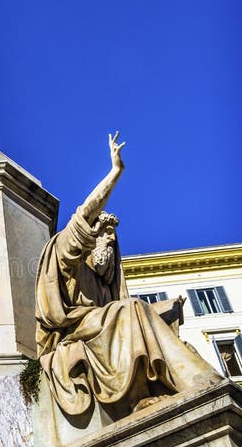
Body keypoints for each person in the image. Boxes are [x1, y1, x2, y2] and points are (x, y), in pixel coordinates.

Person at [35, 133, 222, 417]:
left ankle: (183, 382)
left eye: (112, 239)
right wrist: (115, 172)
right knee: (131, 309)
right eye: (103, 236)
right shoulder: (66, 257)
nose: (108, 243)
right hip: (73, 329)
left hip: (102, 324)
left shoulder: (103, 282)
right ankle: (185, 382)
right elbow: (85, 214)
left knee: (135, 309)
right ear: (89, 237)